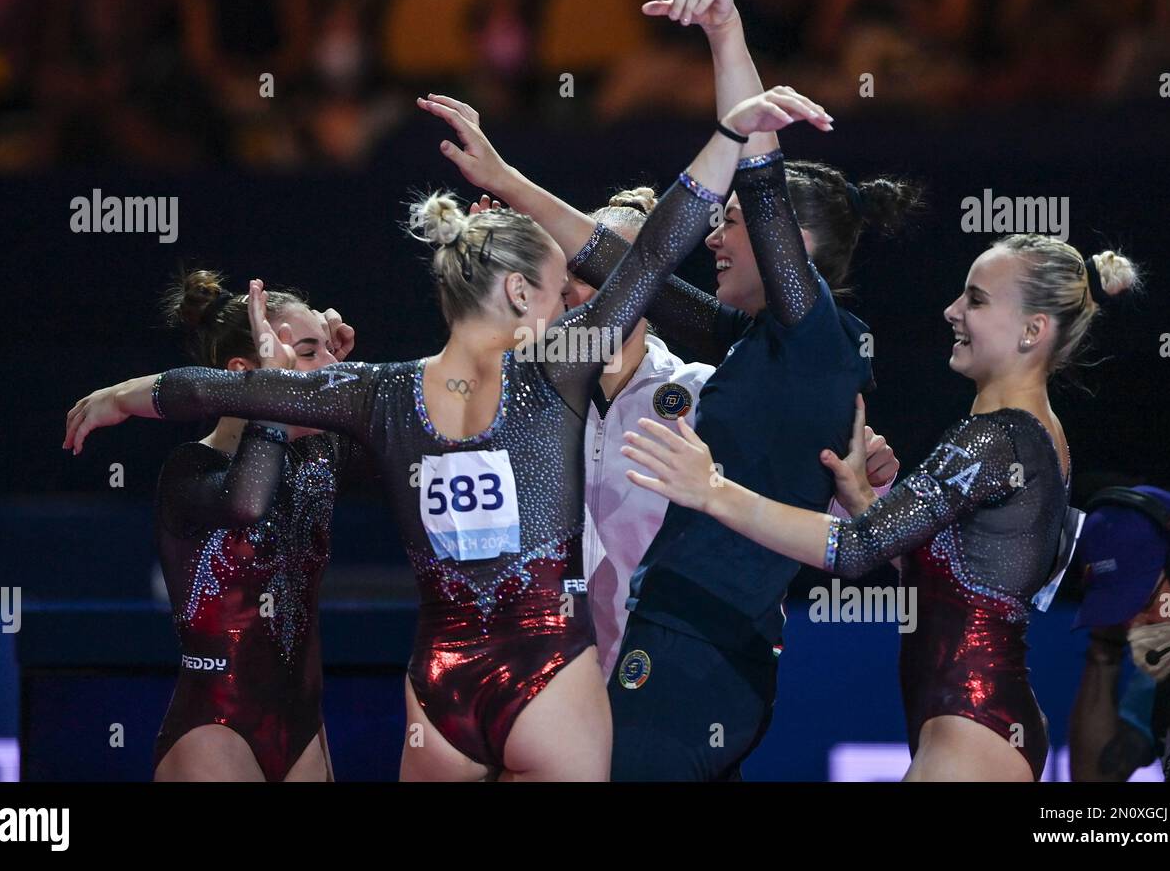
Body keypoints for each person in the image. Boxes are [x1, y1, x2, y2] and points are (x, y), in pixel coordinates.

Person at [64, 86, 816, 780]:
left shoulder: (380, 391)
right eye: (559, 294)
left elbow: (234, 387)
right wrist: (729, 134)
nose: (566, 312)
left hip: (440, 687)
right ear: (522, 292)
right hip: (548, 669)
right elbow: (656, 254)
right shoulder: (556, 368)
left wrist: (128, 395)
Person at [421, 0, 915, 780]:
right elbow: (631, 267)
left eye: (728, 227)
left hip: (703, 650)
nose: (715, 240)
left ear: (796, 252)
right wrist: (507, 181)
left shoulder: (815, 337)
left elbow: (758, 179)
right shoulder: (757, 341)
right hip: (681, 634)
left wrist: (726, 31)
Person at [624, 235, 1140, 780]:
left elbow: (851, 550)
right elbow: (964, 575)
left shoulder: (995, 439)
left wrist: (712, 490)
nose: (952, 311)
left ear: (1032, 331)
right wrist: (866, 500)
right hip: (982, 722)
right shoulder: (1033, 432)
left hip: (970, 731)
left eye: (977, 300)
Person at [152, 271, 358, 782]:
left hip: (302, 726)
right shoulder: (189, 469)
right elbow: (246, 502)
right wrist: (275, 395)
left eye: (326, 352)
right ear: (243, 370)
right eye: (308, 353)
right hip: (215, 729)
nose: (328, 368)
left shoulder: (317, 454)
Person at [1069, 485, 1170, 781]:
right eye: (1122, 612)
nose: (1133, 625)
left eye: (1143, 601)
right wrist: (1105, 642)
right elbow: (1095, 778)